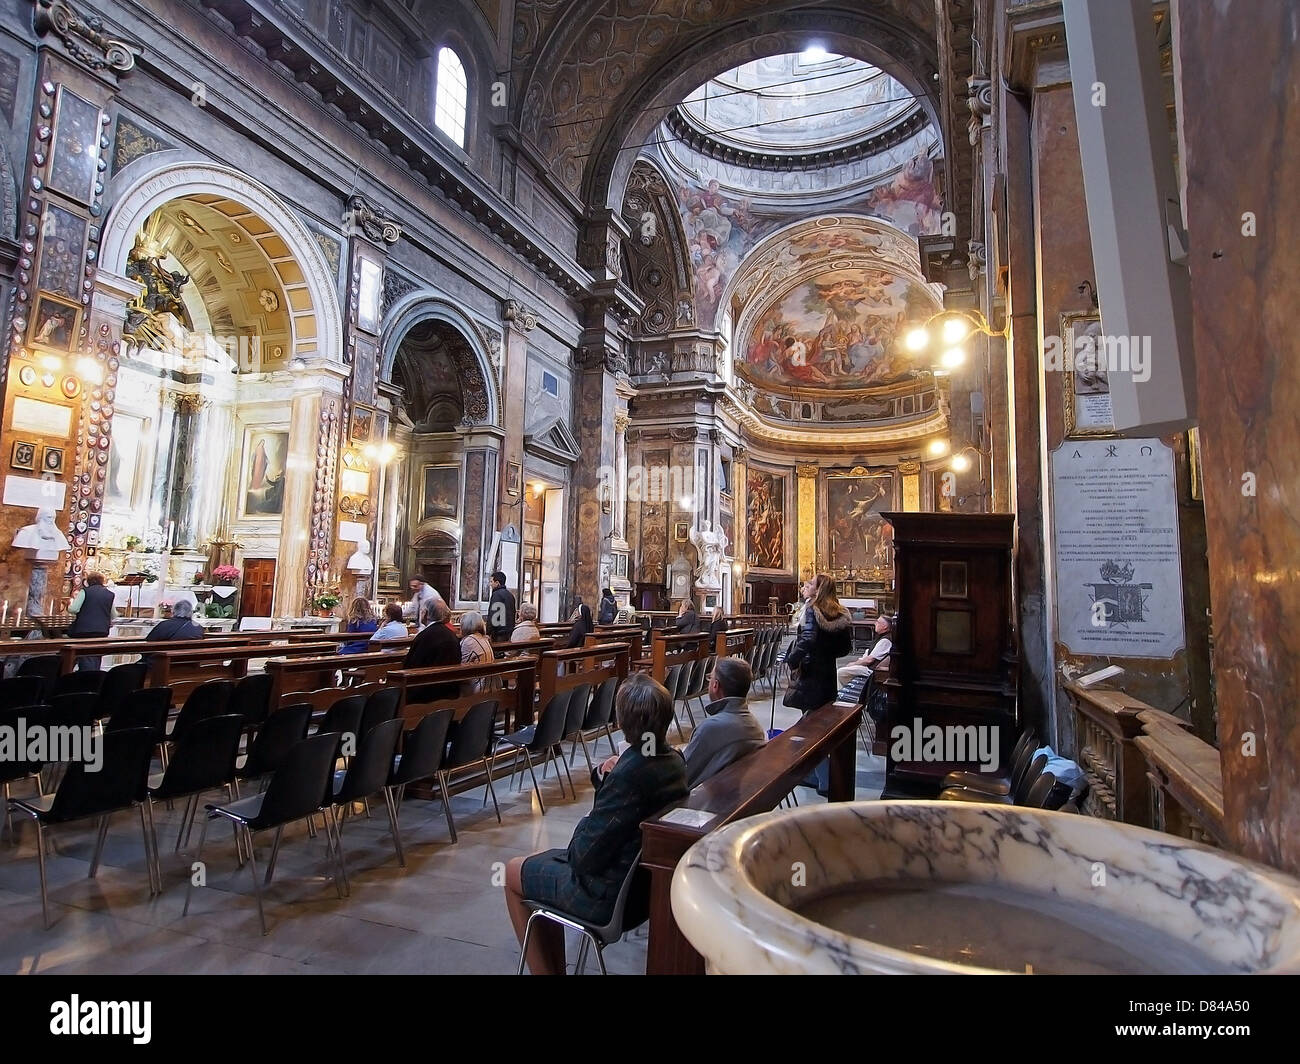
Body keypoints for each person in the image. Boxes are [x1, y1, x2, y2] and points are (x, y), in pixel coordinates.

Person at [505, 673, 688, 975]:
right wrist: (607, 777)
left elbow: (583, 857)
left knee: (513, 871)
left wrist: (603, 793)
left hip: (607, 897)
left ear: (622, 721)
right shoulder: (673, 761)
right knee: (536, 865)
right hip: (643, 892)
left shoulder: (629, 775)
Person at [784, 574, 854, 795]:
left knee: (811, 728)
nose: (806, 586)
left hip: (812, 673)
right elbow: (844, 649)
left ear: (818, 590)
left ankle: (823, 780)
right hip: (827, 674)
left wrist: (792, 659)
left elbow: (808, 640)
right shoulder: (839, 614)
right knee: (817, 725)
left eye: (810, 584)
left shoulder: (813, 610)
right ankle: (813, 775)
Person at [680, 658, 765, 788]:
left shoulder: (711, 728)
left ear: (715, 685)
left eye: (710, 678)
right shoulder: (754, 725)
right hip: (734, 791)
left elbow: (682, 775)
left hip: (708, 800)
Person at [402, 599, 461, 700]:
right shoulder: (452, 635)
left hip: (426, 693)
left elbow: (411, 665)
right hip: (450, 690)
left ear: (425, 614)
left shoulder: (424, 636)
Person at [67, 572, 116, 670]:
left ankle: (86, 677)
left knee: (85, 656)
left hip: (84, 630)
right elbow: (114, 614)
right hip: (102, 630)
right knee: (97, 655)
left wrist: (69, 605)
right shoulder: (109, 594)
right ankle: (95, 676)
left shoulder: (85, 592)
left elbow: (74, 609)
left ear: (88, 581)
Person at [836, 615, 894, 689]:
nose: (875, 623)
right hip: (869, 666)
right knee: (845, 670)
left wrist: (853, 664)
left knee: (840, 672)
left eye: (878, 622)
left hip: (872, 670)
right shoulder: (881, 637)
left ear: (885, 627)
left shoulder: (885, 641)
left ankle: (844, 693)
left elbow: (869, 660)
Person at [459, 610, 499, 693]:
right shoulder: (484, 638)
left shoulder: (468, 641)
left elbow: (461, 667)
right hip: (490, 683)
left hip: (478, 686)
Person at [487, 571, 516, 643]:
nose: (490, 584)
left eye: (491, 582)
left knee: (498, 652)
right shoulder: (510, 595)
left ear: (497, 583)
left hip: (499, 633)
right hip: (509, 631)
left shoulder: (496, 595)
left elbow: (494, 616)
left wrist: (488, 632)